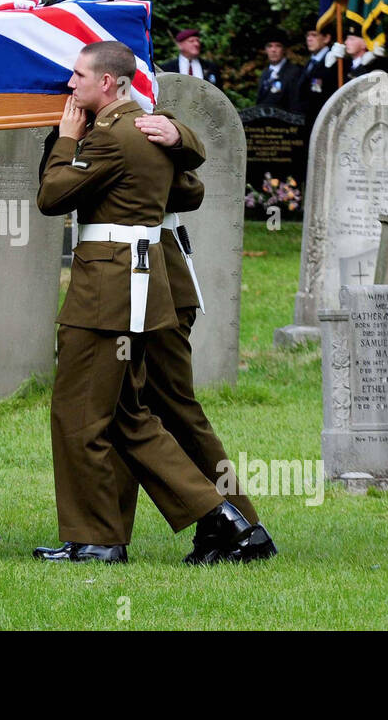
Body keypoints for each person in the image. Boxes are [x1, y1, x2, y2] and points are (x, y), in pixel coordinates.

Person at [34, 40, 255, 564]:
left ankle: (111, 537)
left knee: (79, 416)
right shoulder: (147, 131)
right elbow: (187, 187)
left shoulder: (114, 138)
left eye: (78, 77)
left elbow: (51, 198)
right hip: (135, 286)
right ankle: (216, 518)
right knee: (127, 414)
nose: (70, 86)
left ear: (107, 83)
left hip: (105, 292)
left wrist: (66, 141)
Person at [301, 22, 338, 130]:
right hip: (308, 121)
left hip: (323, 122)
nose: (309, 39)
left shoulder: (335, 62)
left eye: (314, 35)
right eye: (308, 35)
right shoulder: (310, 62)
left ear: (326, 38)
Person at [255, 32, 304, 113]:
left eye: (278, 46)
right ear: (266, 50)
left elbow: (295, 104)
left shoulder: (294, 72)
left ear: (284, 49)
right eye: (270, 46)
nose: (273, 50)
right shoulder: (265, 73)